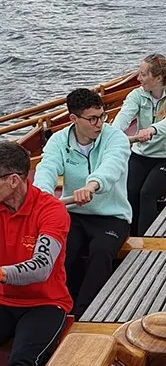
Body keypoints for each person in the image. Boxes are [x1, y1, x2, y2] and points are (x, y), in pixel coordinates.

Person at [33, 89, 131, 318]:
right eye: (93, 118)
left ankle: (84, 314)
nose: (100, 123)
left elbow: (112, 165)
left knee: (100, 252)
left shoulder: (114, 137)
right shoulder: (59, 140)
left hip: (112, 216)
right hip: (74, 213)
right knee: (63, 251)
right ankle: (58, 308)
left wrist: (92, 185)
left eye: (102, 116)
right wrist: (42, 198)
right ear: (73, 120)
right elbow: (47, 169)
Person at [0, 141, 72, 366]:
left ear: (13, 180)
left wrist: (2, 274)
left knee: (22, 363)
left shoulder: (51, 211)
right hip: (4, 299)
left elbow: (41, 268)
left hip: (45, 303)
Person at [113, 55, 166, 235]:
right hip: (139, 156)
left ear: (158, 78)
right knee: (129, 191)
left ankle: (144, 241)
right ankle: (127, 238)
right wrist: (112, 134)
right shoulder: (137, 95)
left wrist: (151, 130)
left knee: (147, 193)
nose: (138, 79)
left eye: (143, 75)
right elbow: (123, 118)